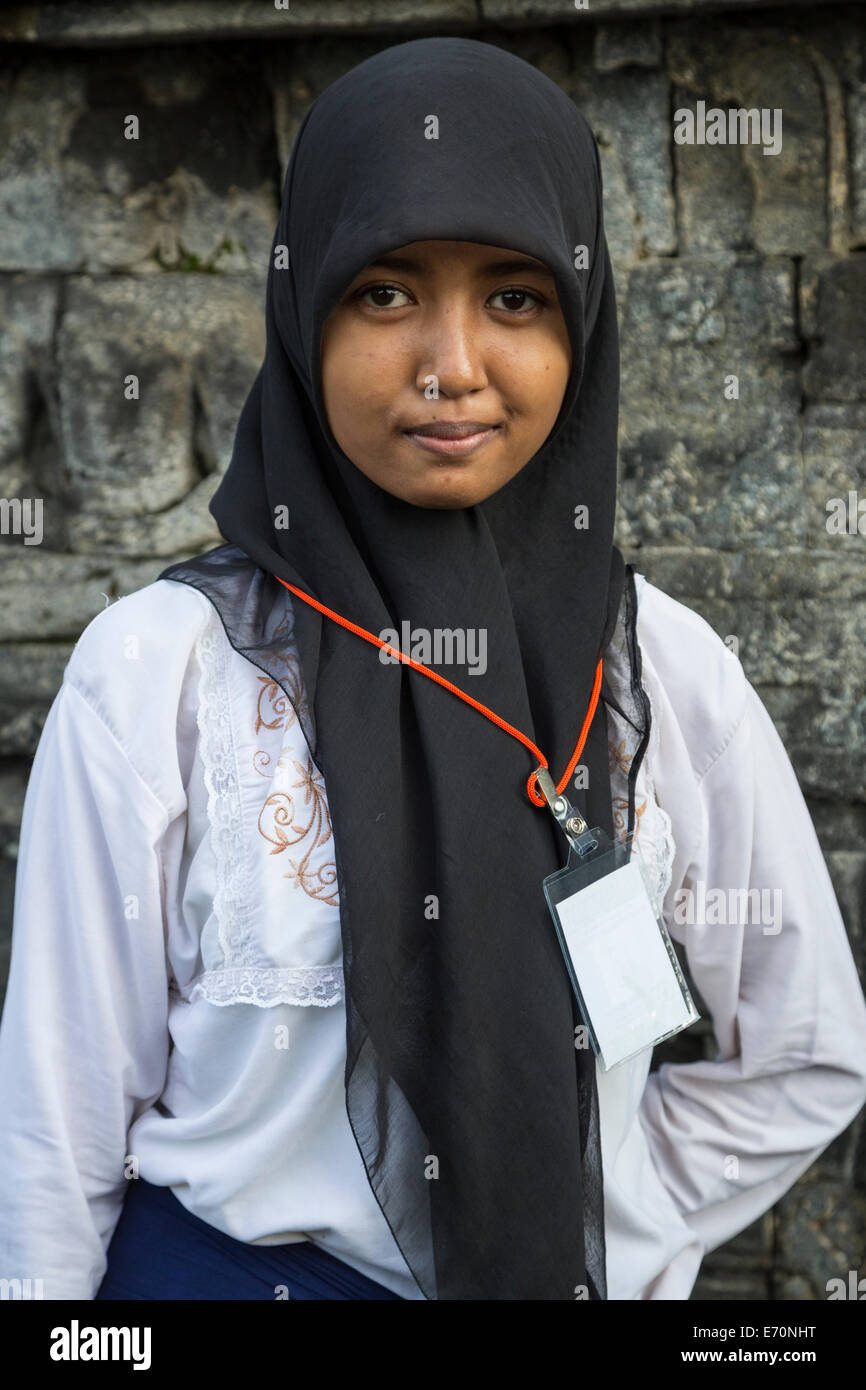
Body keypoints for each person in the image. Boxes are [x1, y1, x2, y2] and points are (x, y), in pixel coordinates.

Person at [1, 36, 865, 1303]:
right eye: (385, 292)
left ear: (582, 321)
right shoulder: (164, 673)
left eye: (513, 297)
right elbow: (57, 1119)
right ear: (304, 311)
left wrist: (593, 1232)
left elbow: (802, 1054)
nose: (450, 363)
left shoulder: (661, 677)